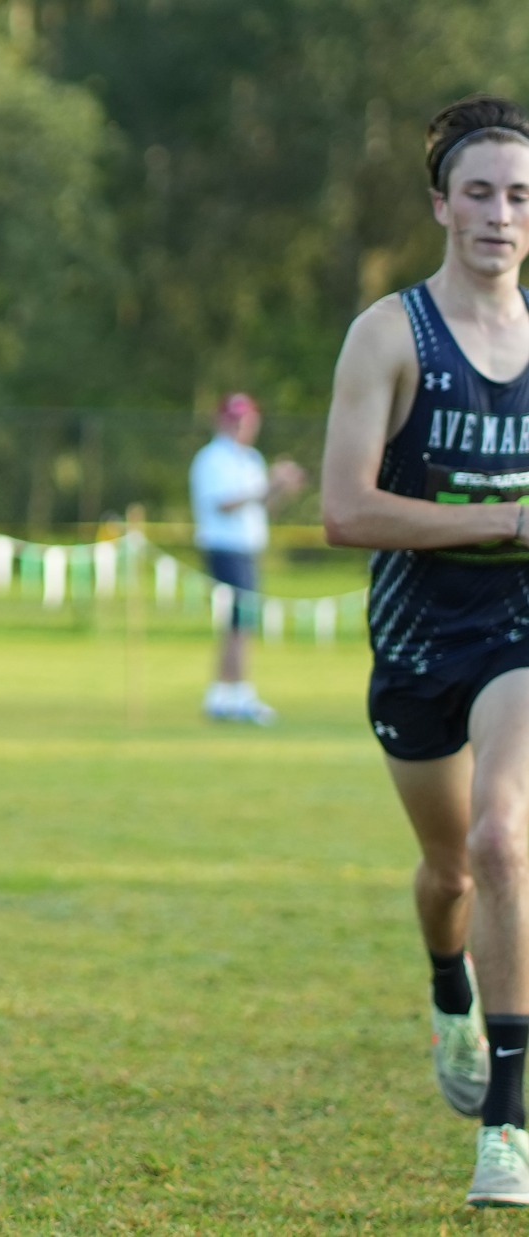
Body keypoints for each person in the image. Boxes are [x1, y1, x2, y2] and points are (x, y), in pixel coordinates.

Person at [320, 94, 529, 1208]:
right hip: (413, 634)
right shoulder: (389, 334)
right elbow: (344, 512)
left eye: (521, 196)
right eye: (482, 192)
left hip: (520, 631)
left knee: (506, 839)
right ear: (441, 204)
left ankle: (507, 1124)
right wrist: (499, 520)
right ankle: (448, 988)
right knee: (448, 869)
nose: (501, 214)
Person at [188, 392, 306, 725]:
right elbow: (224, 504)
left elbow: (262, 506)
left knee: (240, 623)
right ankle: (237, 692)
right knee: (240, 623)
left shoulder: (250, 458)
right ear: (222, 420)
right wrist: (269, 483)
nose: (241, 426)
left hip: (247, 548)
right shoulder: (212, 458)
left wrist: (281, 486)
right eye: (235, 419)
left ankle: (223, 694)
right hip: (224, 547)